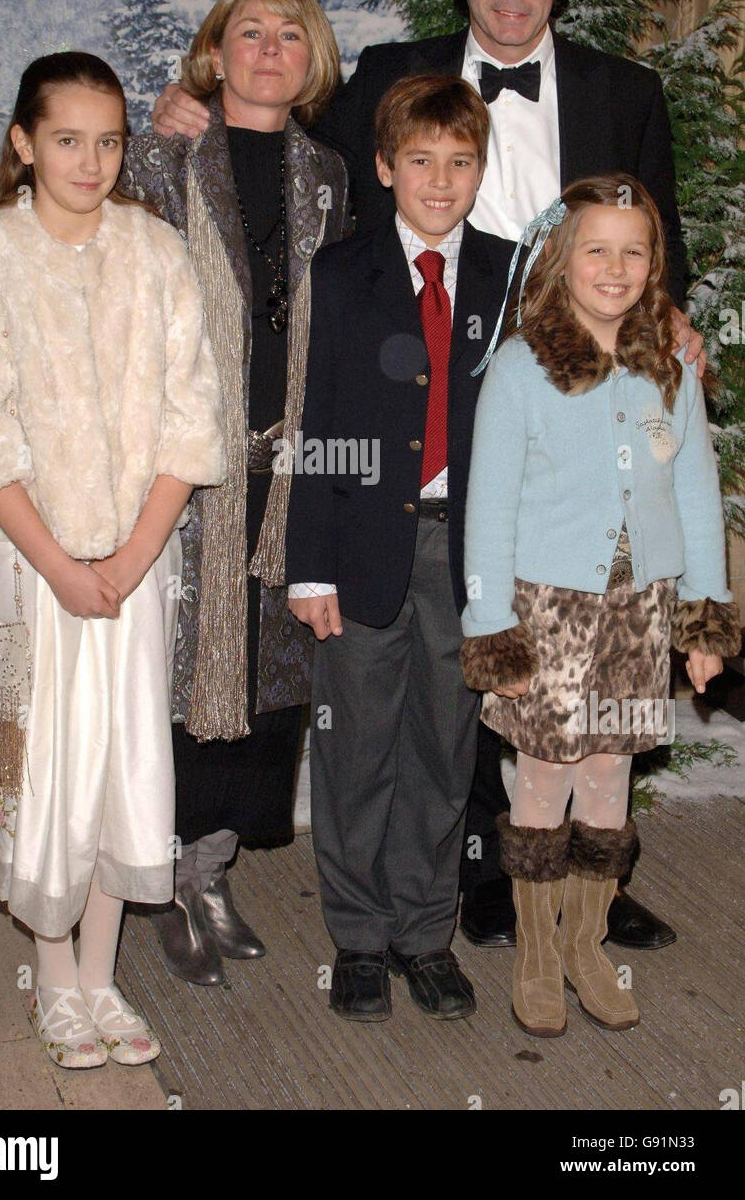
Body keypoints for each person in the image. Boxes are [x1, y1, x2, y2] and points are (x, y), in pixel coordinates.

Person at [150, 0, 702, 952]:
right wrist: (186, 110)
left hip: (580, 421)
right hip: (428, 424)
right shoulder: (384, 78)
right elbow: (284, 135)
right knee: (436, 671)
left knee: (562, 639)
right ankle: (456, 884)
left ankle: (577, 874)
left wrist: (673, 327)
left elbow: (656, 243)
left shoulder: (622, 90)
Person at [0, 52, 226, 1069]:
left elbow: (193, 417)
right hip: (29, 573)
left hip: (135, 574)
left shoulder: (154, 251)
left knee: (126, 771)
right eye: (65, 140)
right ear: (23, 144)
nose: (89, 161)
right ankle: (52, 981)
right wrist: (57, 563)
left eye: (106, 140)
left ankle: (101, 976)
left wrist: (135, 555)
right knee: (41, 776)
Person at [460, 174, 740, 1035]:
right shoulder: (521, 366)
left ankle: (587, 943)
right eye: (596, 250)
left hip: (639, 610)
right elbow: (489, 507)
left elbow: (695, 493)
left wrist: (704, 615)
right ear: (562, 258)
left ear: (653, 264)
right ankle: (539, 952)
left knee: (610, 774)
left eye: (634, 250)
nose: (614, 268)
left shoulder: (669, 365)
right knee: (544, 781)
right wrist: (489, 629)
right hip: (547, 614)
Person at [118, 0, 349, 985]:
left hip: (289, 472)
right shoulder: (162, 159)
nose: (266, 48)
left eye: (286, 34)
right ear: (213, 55)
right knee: (177, 685)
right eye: (245, 32)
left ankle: (212, 871)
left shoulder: (335, 176)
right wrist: (150, 136)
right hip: (184, 469)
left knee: (264, 694)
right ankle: (160, 871)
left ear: (312, 59)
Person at [285, 74, 517, 1022]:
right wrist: (309, 566)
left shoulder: (509, 276)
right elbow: (316, 424)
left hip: (468, 559)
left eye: (460, 162)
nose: (439, 180)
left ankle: (426, 933)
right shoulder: (342, 273)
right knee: (355, 749)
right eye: (419, 160)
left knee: (442, 747)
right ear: (384, 167)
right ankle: (358, 937)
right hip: (363, 554)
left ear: (479, 171)